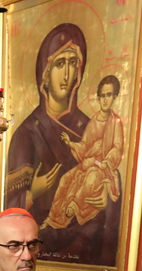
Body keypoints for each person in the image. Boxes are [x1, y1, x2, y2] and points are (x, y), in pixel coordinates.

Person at [5, 24, 120, 268]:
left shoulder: (90, 126)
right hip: (38, 250)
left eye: (72, 63)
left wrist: (108, 200)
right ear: (44, 73)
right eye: (59, 64)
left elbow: (109, 168)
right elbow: (8, 214)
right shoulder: (27, 133)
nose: (67, 73)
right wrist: (31, 194)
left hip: (88, 248)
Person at [43, 74, 125, 231]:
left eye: (108, 95)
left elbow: (117, 147)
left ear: (114, 97)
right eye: (102, 96)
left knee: (91, 178)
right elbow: (85, 146)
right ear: (98, 98)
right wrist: (71, 144)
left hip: (103, 169)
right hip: (89, 163)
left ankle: (73, 206)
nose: (105, 100)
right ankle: (53, 218)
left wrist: (107, 161)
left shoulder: (116, 123)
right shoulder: (94, 121)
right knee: (65, 179)